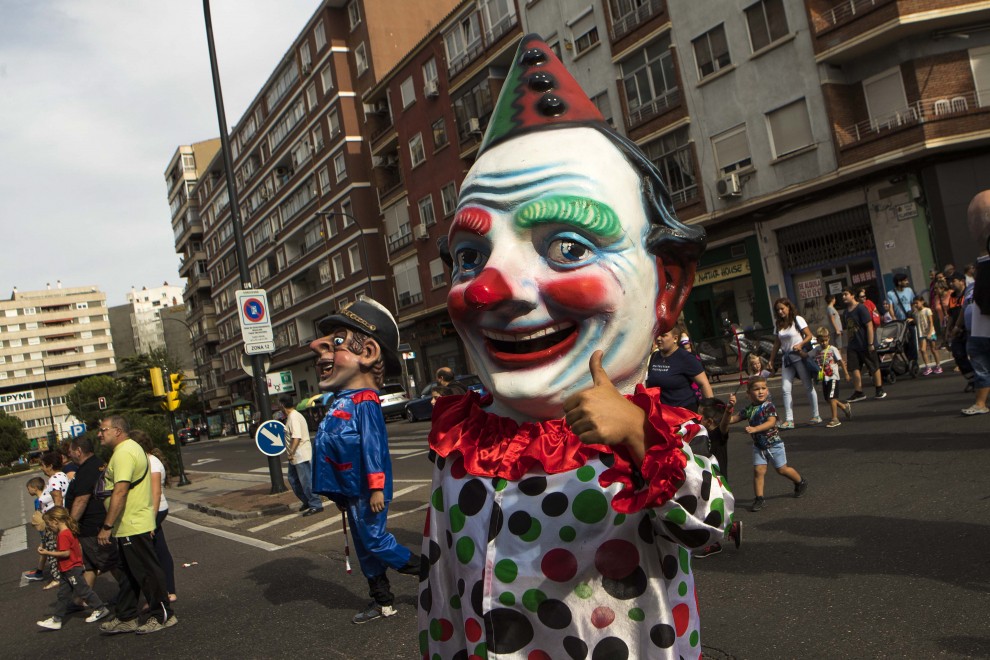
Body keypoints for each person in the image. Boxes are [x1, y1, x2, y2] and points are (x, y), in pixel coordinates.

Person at [424, 35, 732, 658]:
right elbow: (442, 589)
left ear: (667, 285)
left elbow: (713, 528)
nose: (486, 289)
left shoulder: (655, 428)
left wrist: (639, 437)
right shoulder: (460, 443)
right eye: (469, 257)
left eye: (568, 246)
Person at [310, 300, 421, 624]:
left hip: (367, 491)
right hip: (352, 492)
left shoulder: (365, 402)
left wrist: (376, 490)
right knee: (365, 550)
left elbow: (373, 450)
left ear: (369, 352)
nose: (318, 346)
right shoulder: (339, 401)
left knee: (376, 540)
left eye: (338, 341)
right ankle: (382, 601)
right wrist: (340, 495)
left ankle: (431, 571)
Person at [96, 416, 176, 635]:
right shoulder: (126, 450)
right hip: (128, 523)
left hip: (133, 523)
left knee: (146, 572)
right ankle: (127, 616)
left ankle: (163, 615)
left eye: (103, 429)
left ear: (118, 431)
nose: (99, 434)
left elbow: (120, 491)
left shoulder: (124, 453)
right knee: (131, 573)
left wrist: (107, 525)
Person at [728, 376, 807, 512]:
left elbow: (771, 422)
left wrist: (755, 429)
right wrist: (728, 408)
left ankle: (801, 482)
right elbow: (732, 419)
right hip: (759, 446)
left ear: (768, 390)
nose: (760, 392)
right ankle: (759, 498)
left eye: (763, 388)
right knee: (758, 471)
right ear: (748, 393)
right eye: (756, 389)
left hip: (774, 445)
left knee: (782, 470)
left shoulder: (769, 406)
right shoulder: (748, 409)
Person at [35, 507, 109, 630]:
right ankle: (57, 619)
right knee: (63, 595)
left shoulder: (63, 535)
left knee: (83, 591)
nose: (48, 528)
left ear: (55, 521)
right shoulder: (68, 531)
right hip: (66, 569)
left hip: (71, 568)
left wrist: (47, 552)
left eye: (48, 524)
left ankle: (100, 608)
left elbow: (65, 553)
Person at [65, 435, 120, 595]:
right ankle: (82, 599)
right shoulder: (99, 462)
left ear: (79, 451)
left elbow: (81, 500)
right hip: (96, 522)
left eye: (71, 451)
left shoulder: (86, 470)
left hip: (92, 525)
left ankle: (131, 593)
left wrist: (70, 525)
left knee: (109, 562)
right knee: (90, 564)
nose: (70, 455)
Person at [130, 430, 177, 605]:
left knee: (148, 554)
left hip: (154, 511)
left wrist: (151, 520)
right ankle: (168, 591)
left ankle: (160, 594)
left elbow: (155, 492)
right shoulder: (147, 461)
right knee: (159, 549)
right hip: (152, 511)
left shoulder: (151, 462)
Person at [693, 396, 743, 558]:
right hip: (702, 477)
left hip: (716, 479)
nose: (695, 416)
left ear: (708, 421)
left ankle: (713, 544)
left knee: (707, 510)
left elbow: (724, 425)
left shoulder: (717, 434)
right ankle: (732, 528)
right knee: (703, 509)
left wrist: (728, 411)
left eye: (699, 415)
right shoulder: (699, 433)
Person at [768, 298, 821, 428]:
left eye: (782, 308)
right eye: (778, 310)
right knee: (785, 389)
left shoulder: (797, 320)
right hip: (786, 359)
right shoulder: (778, 324)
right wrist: (771, 360)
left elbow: (809, 335)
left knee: (808, 386)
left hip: (799, 357)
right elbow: (776, 343)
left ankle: (816, 415)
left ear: (788, 307)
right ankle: (789, 420)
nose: (780, 312)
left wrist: (801, 344)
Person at [960, 190, 990, 414]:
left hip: (981, 327)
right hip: (979, 329)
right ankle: (980, 402)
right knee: (980, 365)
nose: (974, 225)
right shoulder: (981, 268)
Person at [646, 328, 713, 412]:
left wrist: (709, 410)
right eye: (658, 335)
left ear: (675, 338)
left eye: (663, 336)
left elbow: (704, 384)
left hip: (684, 414)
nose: (659, 338)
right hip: (662, 414)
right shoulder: (654, 356)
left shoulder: (686, 357)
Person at [280, 394, 323, 516]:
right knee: (293, 479)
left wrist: (291, 452)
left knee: (306, 481)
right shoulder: (292, 417)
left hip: (300, 455)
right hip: (295, 457)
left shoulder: (294, 418)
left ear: (282, 406)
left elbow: (296, 437)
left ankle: (316, 504)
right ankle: (307, 501)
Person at [841, 286, 887, 401]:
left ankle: (879, 389)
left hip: (865, 344)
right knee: (854, 368)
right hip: (853, 346)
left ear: (852, 295)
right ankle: (859, 392)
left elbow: (869, 326)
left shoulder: (861, 308)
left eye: (846, 294)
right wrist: (848, 344)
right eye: (843, 295)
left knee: (873, 366)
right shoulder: (846, 312)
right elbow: (848, 329)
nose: (844, 297)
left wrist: (870, 343)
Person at [36, 452, 70, 589]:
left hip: (54, 522)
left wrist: (56, 522)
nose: (42, 469)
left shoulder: (54, 479)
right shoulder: (62, 476)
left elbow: (58, 500)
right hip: (56, 520)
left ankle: (58, 578)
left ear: (50, 465)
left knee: (53, 549)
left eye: (43, 466)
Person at [808, 327, 852, 427]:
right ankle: (844, 406)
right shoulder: (817, 350)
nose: (824, 343)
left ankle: (835, 418)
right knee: (827, 399)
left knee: (832, 397)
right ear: (818, 340)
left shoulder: (832, 349)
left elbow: (840, 361)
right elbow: (807, 355)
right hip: (824, 377)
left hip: (833, 376)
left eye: (826, 340)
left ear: (829, 339)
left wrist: (846, 373)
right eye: (821, 341)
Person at [946, 272, 974, 388]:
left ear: (962, 281)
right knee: (957, 353)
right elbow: (951, 315)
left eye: (953, 281)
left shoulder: (969, 294)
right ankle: (972, 379)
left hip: (969, 329)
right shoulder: (952, 297)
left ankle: (981, 380)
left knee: (975, 355)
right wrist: (947, 330)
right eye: (950, 282)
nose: (951, 284)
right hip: (957, 331)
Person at [887, 274, 918, 363]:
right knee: (904, 343)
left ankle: (914, 362)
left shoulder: (909, 291)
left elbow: (913, 305)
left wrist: (914, 317)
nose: (907, 282)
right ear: (899, 282)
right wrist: (894, 319)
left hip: (909, 320)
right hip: (900, 322)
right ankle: (909, 360)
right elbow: (891, 308)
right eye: (905, 280)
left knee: (912, 342)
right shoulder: (890, 293)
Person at [913, 296, 941, 375]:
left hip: (930, 332)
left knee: (933, 349)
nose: (915, 305)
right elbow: (916, 322)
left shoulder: (927, 310)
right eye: (914, 303)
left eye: (917, 303)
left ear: (922, 302)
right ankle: (928, 367)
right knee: (922, 350)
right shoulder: (915, 313)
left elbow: (931, 321)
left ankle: (938, 366)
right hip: (921, 333)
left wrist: (929, 333)